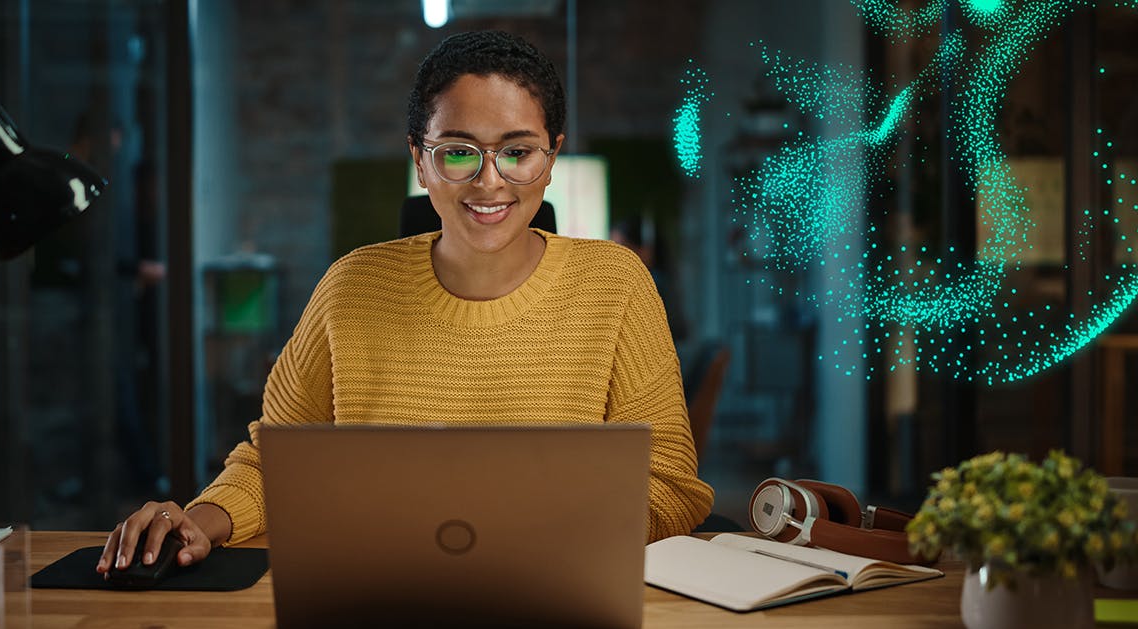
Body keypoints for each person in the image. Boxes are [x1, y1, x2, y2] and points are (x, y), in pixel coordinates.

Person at [97, 30, 714, 576]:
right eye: (459, 151)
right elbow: (274, 461)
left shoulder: (617, 284)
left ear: (551, 157)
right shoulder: (350, 288)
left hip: (558, 589)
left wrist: (541, 532)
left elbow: (671, 488)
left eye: (518, 152)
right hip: (380, 592)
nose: (490, 181)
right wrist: (199, 521)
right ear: (420, 158)